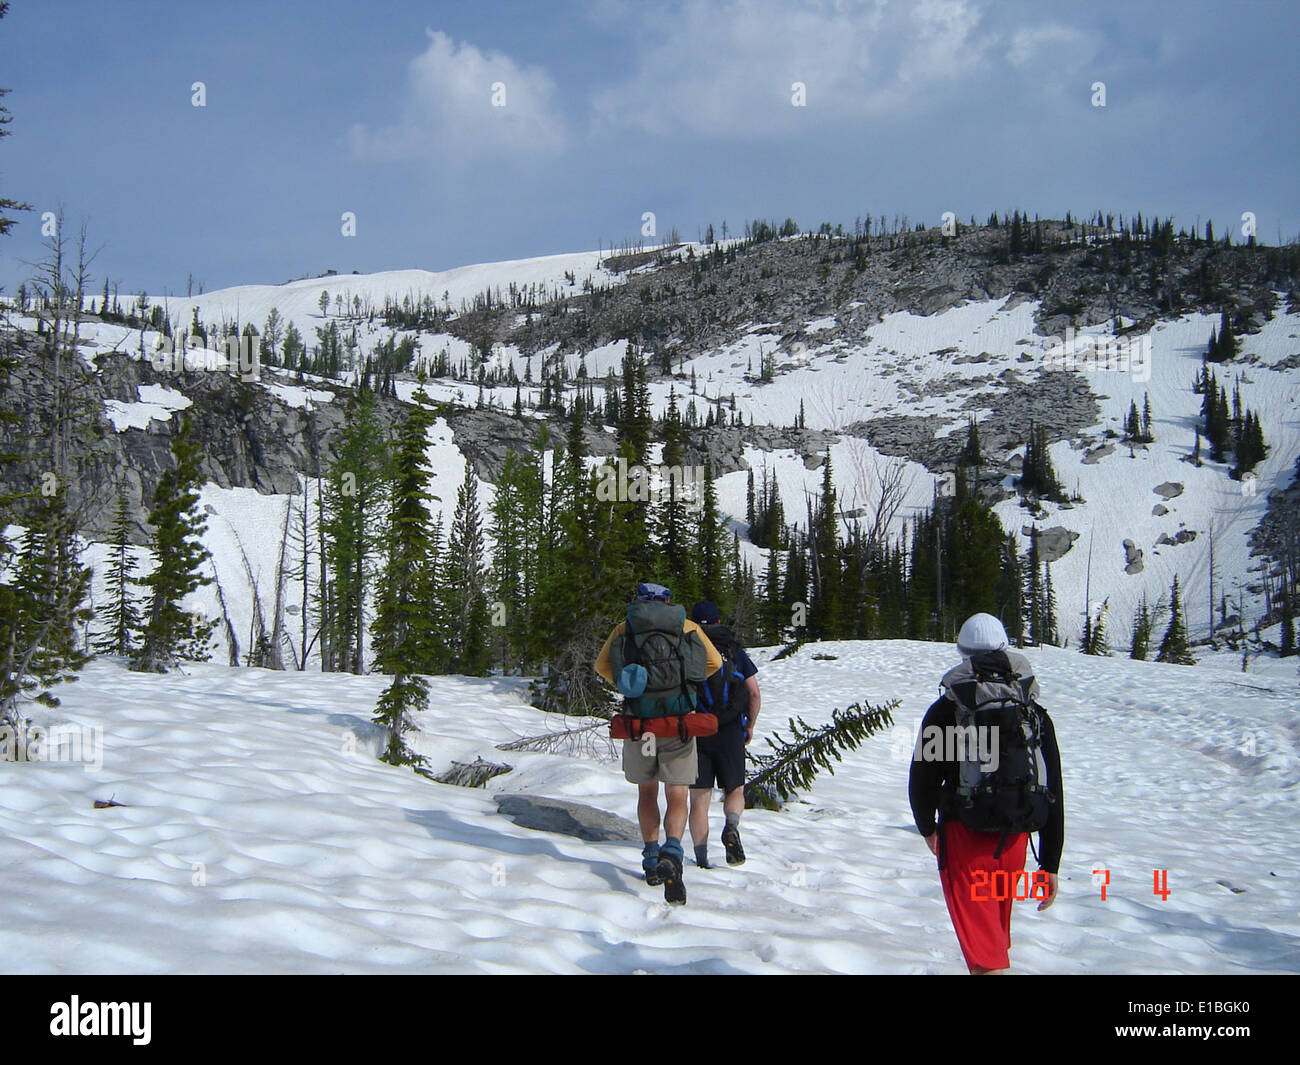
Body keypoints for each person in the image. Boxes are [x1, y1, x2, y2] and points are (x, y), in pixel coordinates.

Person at [908, 612, 1064, 974]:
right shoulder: (1034, 711)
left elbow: (922, 780)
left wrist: (927, 829)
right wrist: (1050, 862)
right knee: (993, 941)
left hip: (965, 839)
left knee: (985, 959)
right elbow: (1053, 787)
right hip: (1015, 839)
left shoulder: (947, 710)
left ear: (962, 654)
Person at [595, 582, 721, 905]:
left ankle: (651, 859)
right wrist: (685, 685)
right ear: (668, 601)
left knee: (647, 791)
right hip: (677, 725)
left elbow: (601, 667)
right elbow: (714, 664)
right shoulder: (687, 626)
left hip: (641, 727)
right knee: (677, 793)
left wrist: (632, 686)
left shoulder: (625, 628)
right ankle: (673, 851)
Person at [687, 600, 760, 868]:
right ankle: (731, 826)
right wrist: (749, 724)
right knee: (735, 788)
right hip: (730, 730)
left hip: (698, 729)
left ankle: (702, 860)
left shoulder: (690, 649)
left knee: (699, 798)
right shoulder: (734, 650)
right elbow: (753, 692)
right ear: (718, 621)